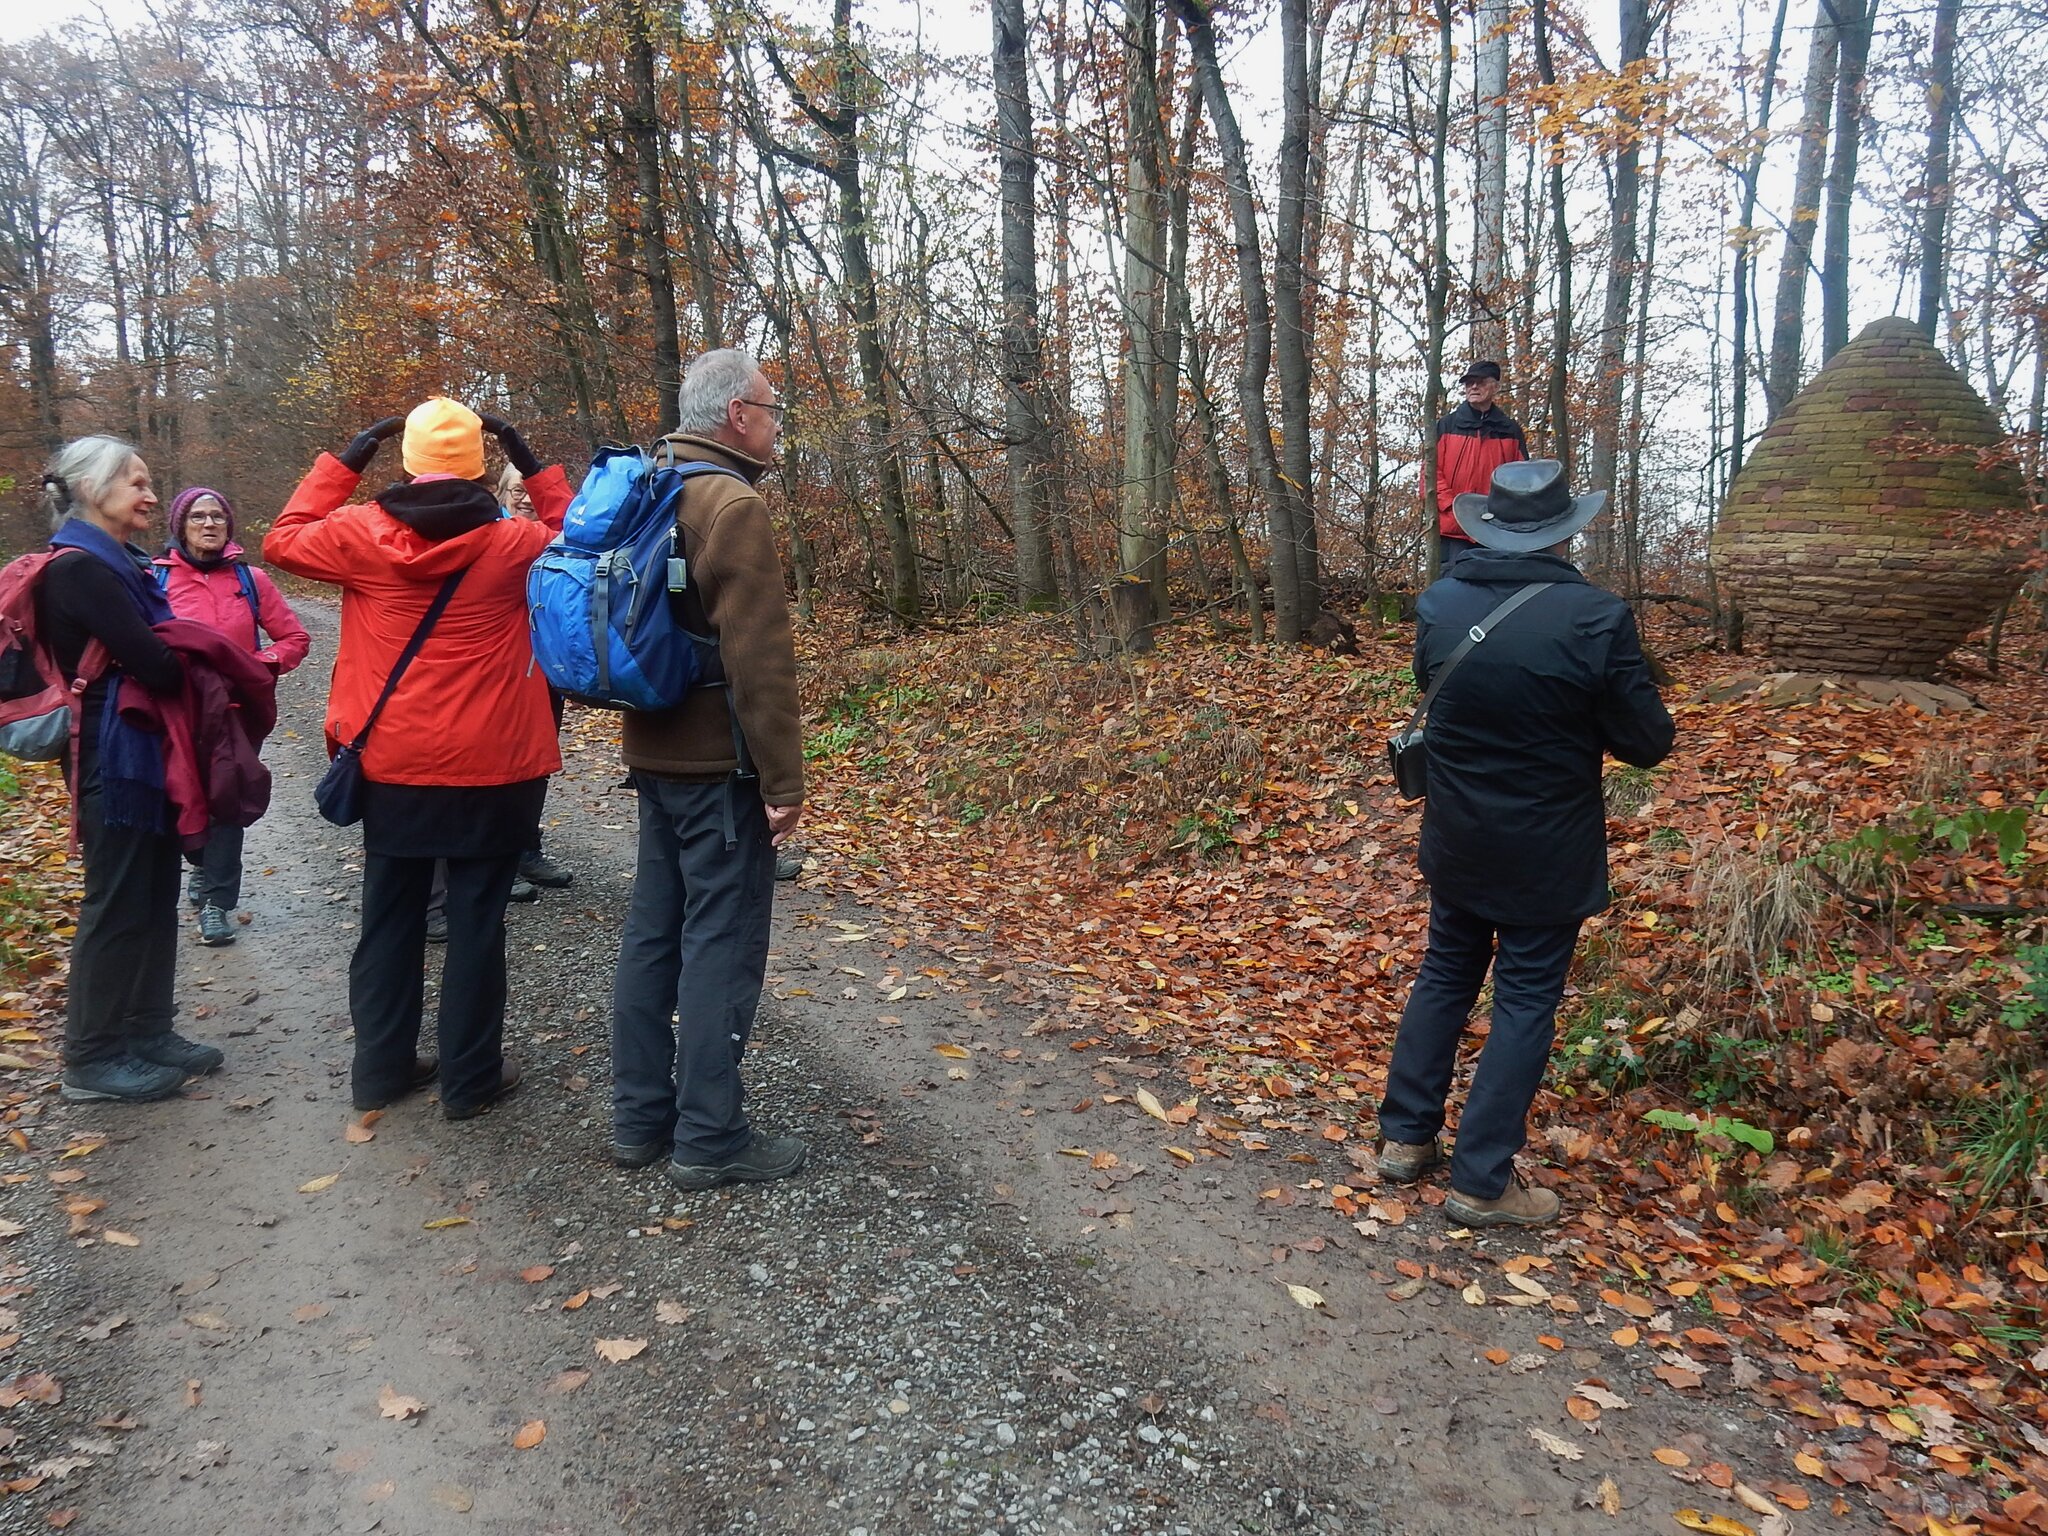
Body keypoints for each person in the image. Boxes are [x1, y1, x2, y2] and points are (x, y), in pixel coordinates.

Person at [1376, 459, 1674, 1228]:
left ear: (1490, 526)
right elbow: (1647, 743)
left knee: (1445, 973)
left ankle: (1406, 1140)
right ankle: (1480, 1181)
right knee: (1525, 998)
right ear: (1561, 532)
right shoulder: (1596, 618)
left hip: (1460, 832)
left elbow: (1431, 686)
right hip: (1547, 846)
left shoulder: (1440, 603)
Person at [265, 399, 571, 1120]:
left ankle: (381, 1072)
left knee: (390, 916)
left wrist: (346, 457)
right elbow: (585, 537)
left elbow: (282, 540)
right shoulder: (517, 540)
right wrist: (531, 461)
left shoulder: (358, 535)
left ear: (406, 461)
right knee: (476, 923)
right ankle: (469, 1081)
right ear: (479, 463)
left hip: (392, 762)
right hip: (497, 764)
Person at [610, 348, 805, 1191]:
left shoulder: (648, 486)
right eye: (771, 408)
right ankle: (710, 1136)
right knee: (720, 944)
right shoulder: (731, 504)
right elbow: (760, 661)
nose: (774, 422)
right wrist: (783, 782)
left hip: (650, 749)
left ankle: (639, 1118)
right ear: (736, 416)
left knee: (653, 936)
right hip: (715, 764)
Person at [34, 437, 224, 1102]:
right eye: (137, 483)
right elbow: (159, 663)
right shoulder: (80, 568)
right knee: (116, 902)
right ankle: (89, 1057)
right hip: (110, 762)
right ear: (92, 488)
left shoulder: (121, 563)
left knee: (153, 893)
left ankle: (147, 1031)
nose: (150, 495)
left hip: (144, 754)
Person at [152, 487, 311, 946]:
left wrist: (257, 665)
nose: (208, 525)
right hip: (176, 711)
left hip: (237, 713)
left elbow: (294, 638)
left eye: (217, 516)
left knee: (228, 799)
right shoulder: (155, 580)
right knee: (182, 796)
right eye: (198, 517)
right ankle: (200, 868)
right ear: (179, 526)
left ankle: (217, 903)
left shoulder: (251, 579)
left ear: (229, 525)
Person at [496, 463, 575, 894]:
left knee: (536, 764)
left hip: (545, 668)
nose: (524, 498)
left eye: (531, 491)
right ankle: (497, 859)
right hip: (501, 673)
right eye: (514, 490)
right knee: (501, 766)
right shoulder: (493, 537)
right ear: (500, 492)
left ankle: (526, 851)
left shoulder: (555, 541)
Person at [1425, 360, 1526, 570]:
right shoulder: (1446, 426)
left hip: (1495, 529)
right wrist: (1454, 507)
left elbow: (1521, 479)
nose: (1473, 387)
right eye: (1469, 383)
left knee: (1493, 590)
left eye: (1480, 382)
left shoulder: (1510, 430)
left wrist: (1502, 512)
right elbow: (1430, 473)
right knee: (1451, 589)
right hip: (1454, 529)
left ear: (1495, 386)